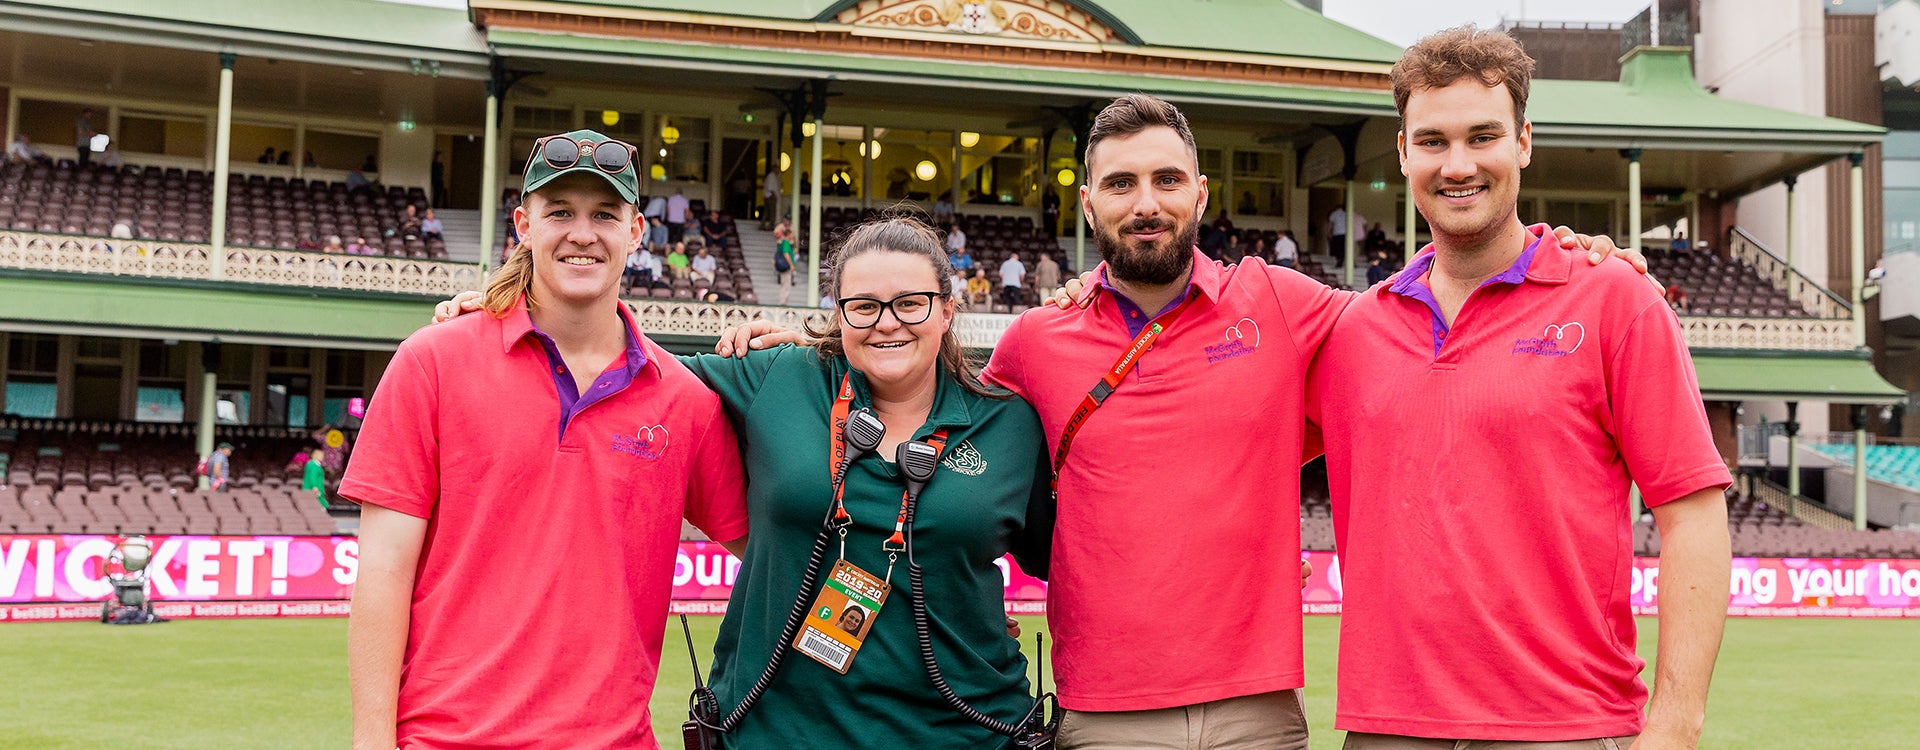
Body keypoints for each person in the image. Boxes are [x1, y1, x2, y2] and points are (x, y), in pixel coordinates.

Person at [732, 94, 1641, 750]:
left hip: (1257, 712)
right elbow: (919, 381)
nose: (1146, 202)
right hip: (1104, 715)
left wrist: (1562, 250)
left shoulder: (1286, 307)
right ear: (1087, 203)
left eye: (1168, 179)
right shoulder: (1035, 346)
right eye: (1121, 183)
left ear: (1201, 196)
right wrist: (812, 346)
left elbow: (1428, 311)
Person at [435, 217, 1057, 749]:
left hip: (967, 729)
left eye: (911, 303)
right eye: (862, 307)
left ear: (948, 310)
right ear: (836, 316)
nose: (886, 324)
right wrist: (502, 317)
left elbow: (1061, 560)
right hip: (774, 728)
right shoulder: (778, 377)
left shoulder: (1011, 422)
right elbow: (614, 368)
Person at [1306, 27, 1730, 750]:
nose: (1459, 164)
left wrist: (1676, 725)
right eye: (1434, 141)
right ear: (1404, 152)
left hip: (1569, 730)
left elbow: (1692, 514)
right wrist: (1088, 290)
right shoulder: (1350, 330)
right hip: (1388, 731)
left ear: (1524, 141)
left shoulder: (1615, 301)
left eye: (1483, 136)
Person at [345, 128, 749, 750]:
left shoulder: (685, 401)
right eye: (560, 212)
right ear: (524, 225)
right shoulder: (432, 362)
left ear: (636, 232)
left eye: (604, 214)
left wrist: (805, 364)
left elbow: (776, 554)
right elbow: (382, 572)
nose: (582, 233)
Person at [774, 219, 796, 305]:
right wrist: (791, 265)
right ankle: (783, 302)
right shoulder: (786, 242)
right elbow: (786, 254)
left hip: (784, 266)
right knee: (786, 285)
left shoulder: (783, 242)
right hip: (786, 266)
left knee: (785, 284)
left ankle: (783, 301)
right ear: (789, 235)